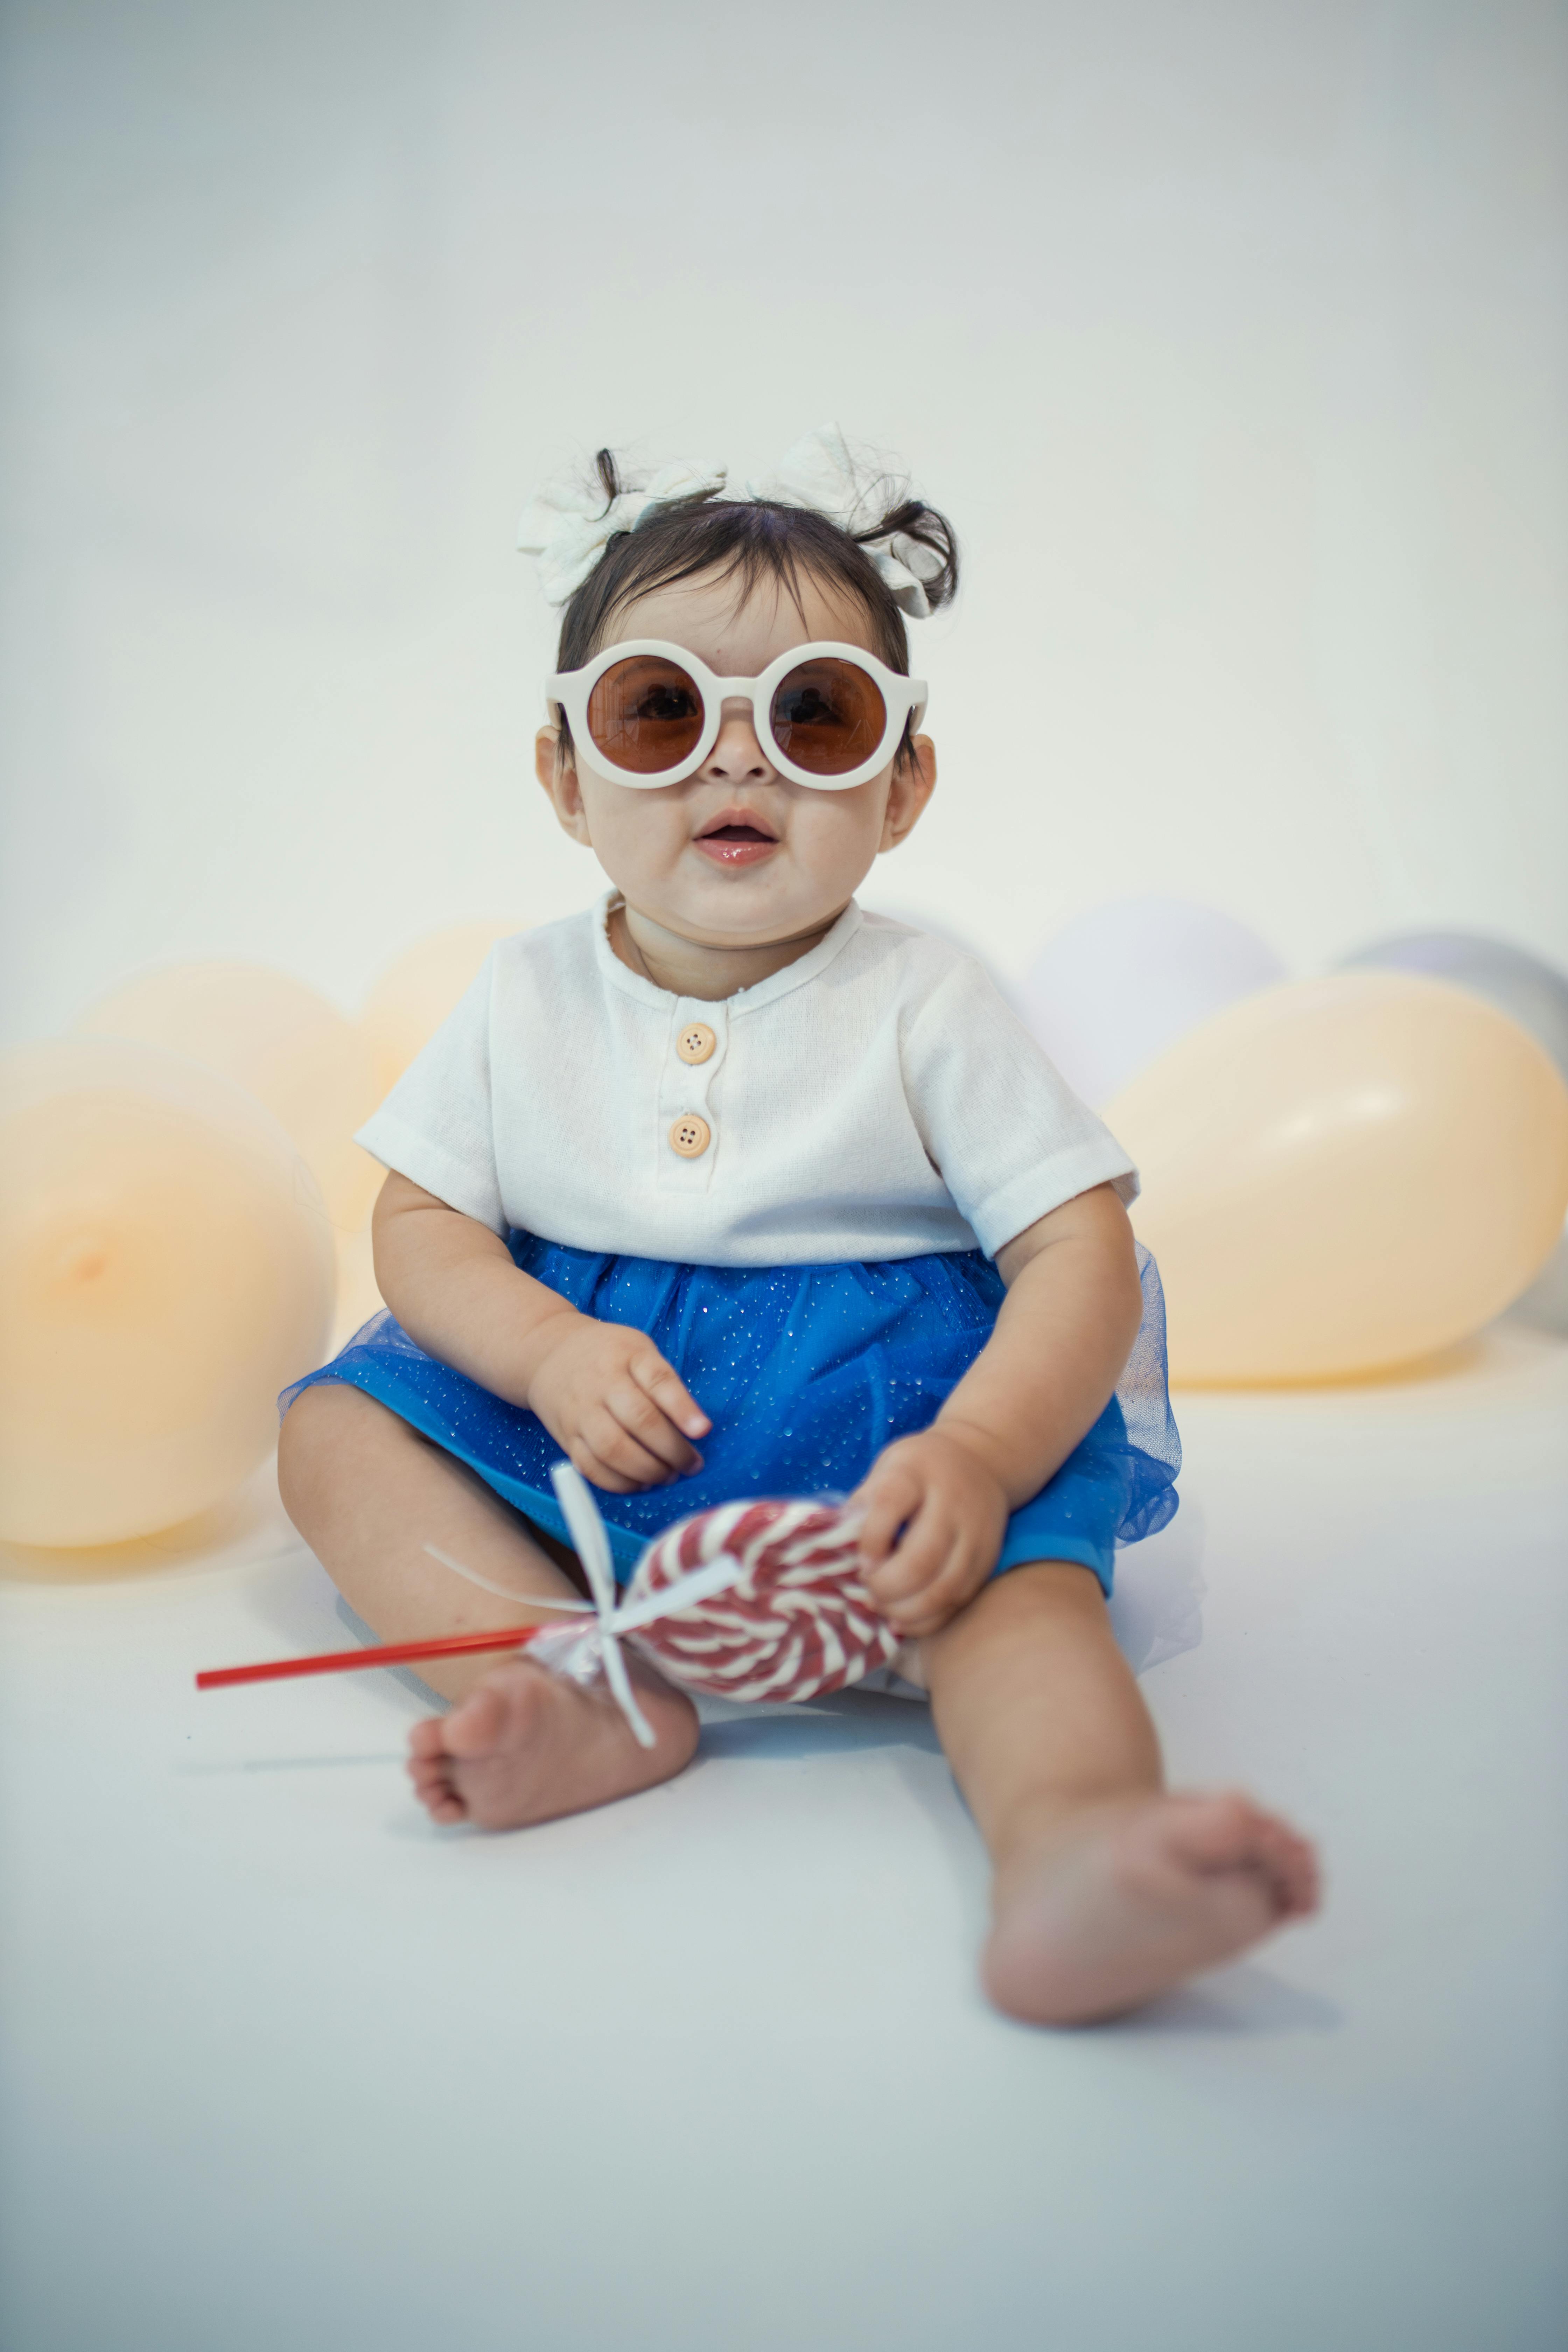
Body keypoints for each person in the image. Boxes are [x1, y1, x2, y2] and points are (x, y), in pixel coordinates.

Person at [276, 426, 1318, 2025]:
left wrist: (977, 1458)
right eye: (660, 710)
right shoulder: (521, 994)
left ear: (899, 783)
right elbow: (419, 1223)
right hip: (590, 1430)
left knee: (1023, 1615)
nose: (737, 763)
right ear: (565, 771)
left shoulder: (926, 997)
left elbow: (1075, 1246)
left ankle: (1074, 1849)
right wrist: (540, 1347)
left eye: (815, 718)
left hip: (898, 1439)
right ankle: (569, 1684)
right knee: (336, 1437)